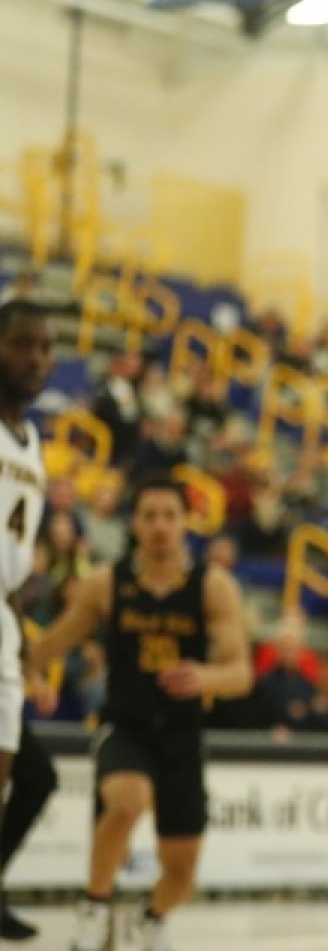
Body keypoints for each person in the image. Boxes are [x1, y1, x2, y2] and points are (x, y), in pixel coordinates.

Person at [26, 476, 252, 951]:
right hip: (125, 725)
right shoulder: (107, 583)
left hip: (182, 735)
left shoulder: (213, 587)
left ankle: (152, 919)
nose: (160, 526)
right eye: (149, 516)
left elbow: (240, 674)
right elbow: (54, 641)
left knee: (181, 872)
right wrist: (28, 672)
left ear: (186, 523)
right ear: (134, 523)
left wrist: (205, 677)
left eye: (170, 515)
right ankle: (94, 908)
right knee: (127, 802)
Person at [0, 300, 58, 940]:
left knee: (19, 770)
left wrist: (22, 649)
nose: (37, 359)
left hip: (3, 614)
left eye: (45, 348)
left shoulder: (33, 443)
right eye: (21, 344)